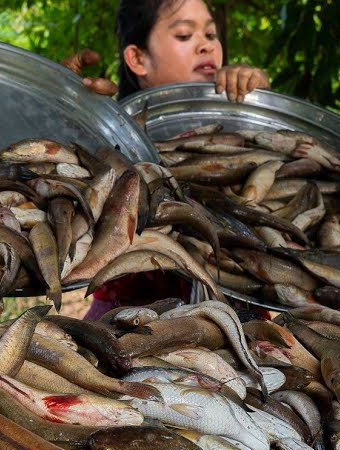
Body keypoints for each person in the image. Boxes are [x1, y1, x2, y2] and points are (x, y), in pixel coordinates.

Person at [75, 0, 270, 319]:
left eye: (210, 33)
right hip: (129, 323)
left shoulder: (240, 129)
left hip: (245, 322)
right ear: (138, 58)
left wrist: (258, 101)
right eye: (184, 35)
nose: (206, 45)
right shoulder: (111, 140)